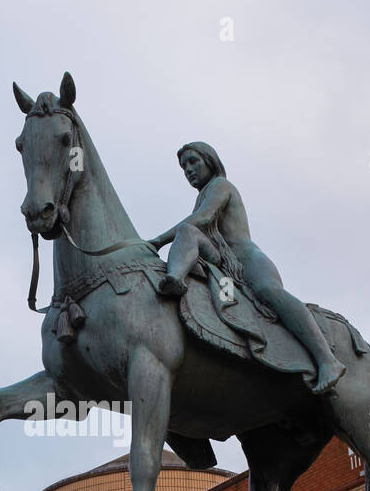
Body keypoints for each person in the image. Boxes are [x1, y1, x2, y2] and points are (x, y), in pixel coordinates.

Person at [148, 141, 346, 394]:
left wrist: (157, 241)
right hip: (222, 260)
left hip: (247, 259)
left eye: (193, 161)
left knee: (268, 290)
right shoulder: (200, 196)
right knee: (187, 232)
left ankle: (327, 359)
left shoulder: (220, 185)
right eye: (183, 166)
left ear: (210, 160)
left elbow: (204, 219)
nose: (188, 170)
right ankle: (175, 278)